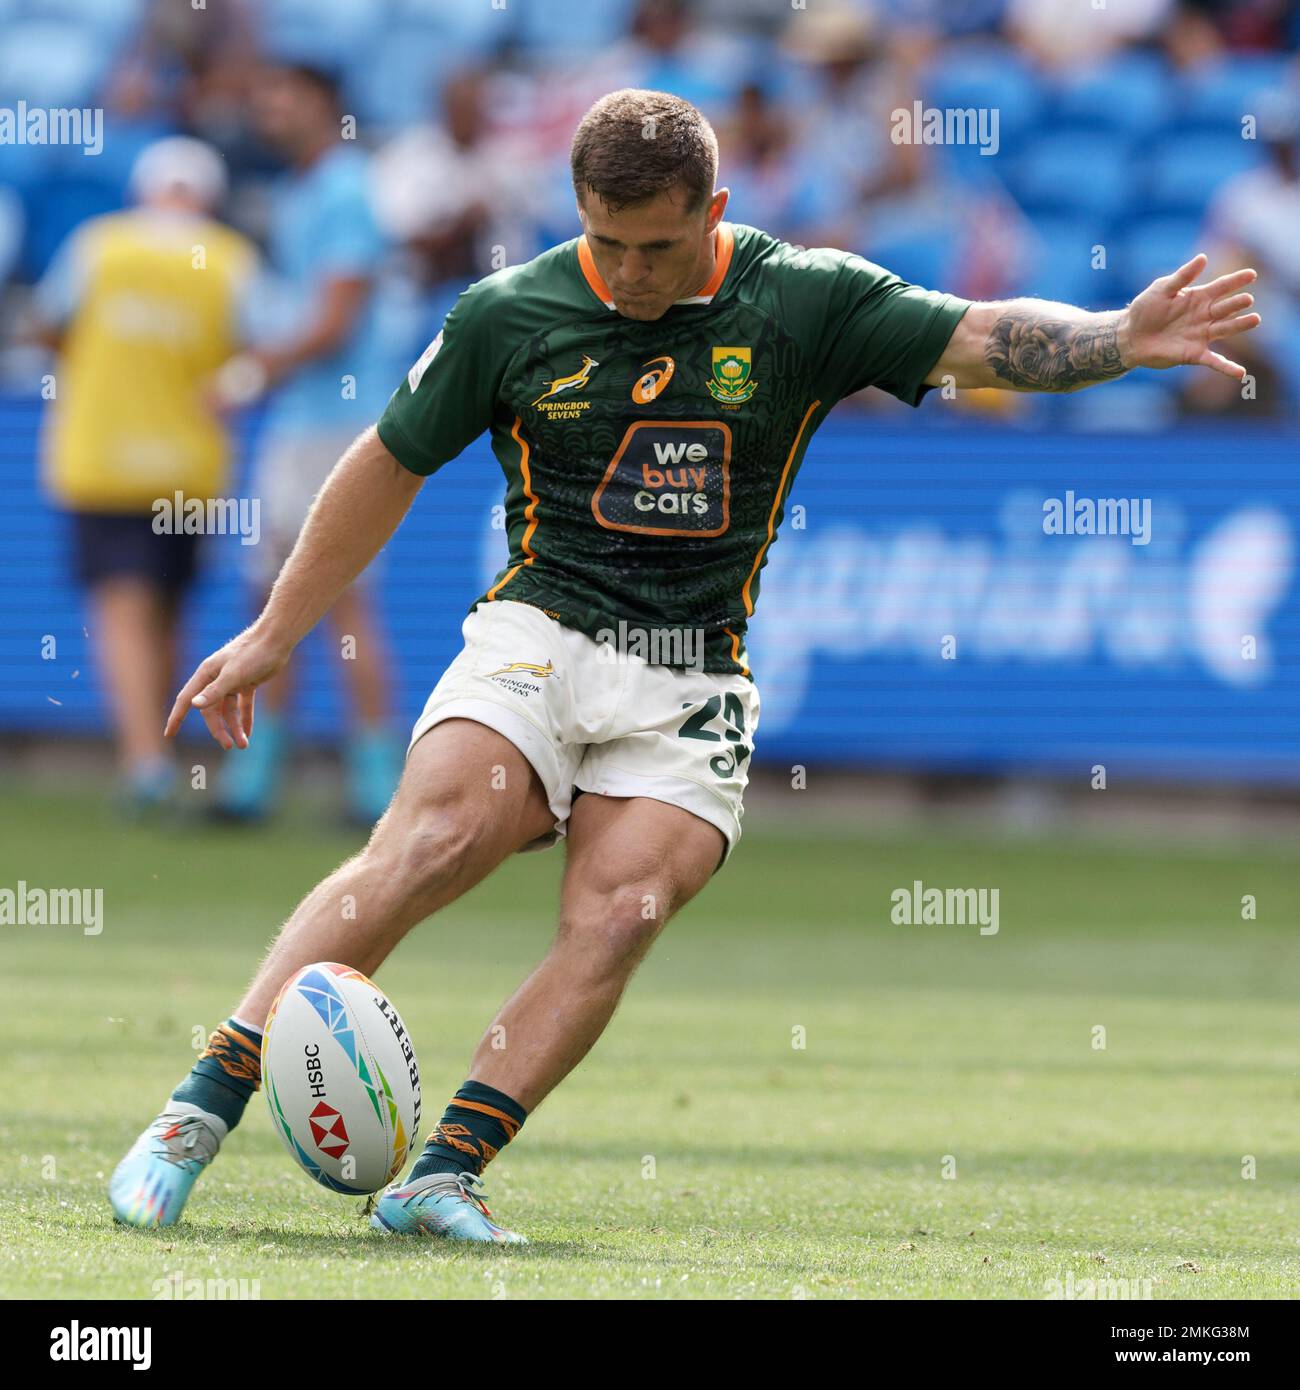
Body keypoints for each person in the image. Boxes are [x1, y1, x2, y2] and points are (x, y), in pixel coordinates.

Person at [109, 89, 1260, 1241]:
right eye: (606, 242)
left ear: (712, 209)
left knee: (621, 912)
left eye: (657, 245)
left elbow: (979, 335)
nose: (631, 271)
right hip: (538, 633)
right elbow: (387, 461)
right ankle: (194, 1113)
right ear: (577, 211)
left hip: (694, 675)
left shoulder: (804, 299)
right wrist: (274, 632)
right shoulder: (509, 314)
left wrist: (1119, 338)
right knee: (436, 836)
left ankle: (439, 1174)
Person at [31, 137, 256, 811]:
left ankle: (144, 761)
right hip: (189, 463)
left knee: (120, 613)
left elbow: (47, 323)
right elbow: (261, 345)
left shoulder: (99, 246)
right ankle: (162, 742)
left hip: (102, 458)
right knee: (168, 609)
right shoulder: (229, 259)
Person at [210, 62, 402, 825]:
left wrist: (248, 373)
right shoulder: (306, 190)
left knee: (341, 599)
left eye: (282, 93)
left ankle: (375, 785)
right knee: (272, 599)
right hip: (306, 422)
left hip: (336, 426)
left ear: (325, 104)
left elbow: (335, 320)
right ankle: (257, 777)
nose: (269, 105)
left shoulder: (344, 189)